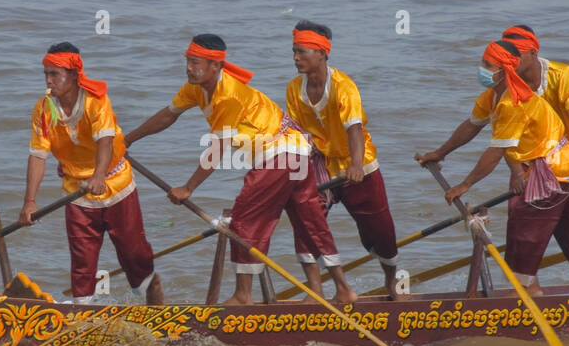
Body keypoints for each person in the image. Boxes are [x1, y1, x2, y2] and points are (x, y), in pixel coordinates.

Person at [124, 33, 354, 305]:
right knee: (307, 221)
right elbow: (168, 115)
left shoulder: (228, 95)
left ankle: (244, 296)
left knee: (244, 219)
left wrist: (188, 188)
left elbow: (217, 149)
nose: (189, 68)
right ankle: (335, 290)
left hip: (279, 154)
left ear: (216, 66)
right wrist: (128, 139)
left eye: (196, 63)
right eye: (187, 61)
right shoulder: (194, 89)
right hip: (296, 152)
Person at [442, 34, 569, 296]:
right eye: (482, 63)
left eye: (488, 65)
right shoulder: (492, 97)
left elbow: (496, 151)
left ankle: (529, 289)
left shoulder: (513, 103)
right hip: (563, 168)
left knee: (524, 227)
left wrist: (465, 185)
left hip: (555, 170)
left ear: (504, 70)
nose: (482, 70)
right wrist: (439, 153)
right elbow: (471, 127)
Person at [21, 43, 163, 304]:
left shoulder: (96, 101)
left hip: (116, 185)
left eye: (55, 74)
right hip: (77, 191)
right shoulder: (43, 109)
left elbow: (105, 142)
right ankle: (83, 315)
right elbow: (38, 156)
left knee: (135, 255)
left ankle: (156, 309)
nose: (49, 81)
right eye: (46, 74)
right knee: (82, 263)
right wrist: (29, 202)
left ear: (74, 75)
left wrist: (98, 176)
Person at [283, 20, 403, 299]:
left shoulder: (343, 87)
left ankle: (392, 283)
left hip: (357, 165)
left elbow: (355, 129)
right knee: (303, 219)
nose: (295, 58)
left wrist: (357, 166)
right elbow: (296, 135)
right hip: (321, 162)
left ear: (321, 54)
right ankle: (315, 292)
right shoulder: (293, 89)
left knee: (379, 231)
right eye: (293, 52)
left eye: (301, 52)